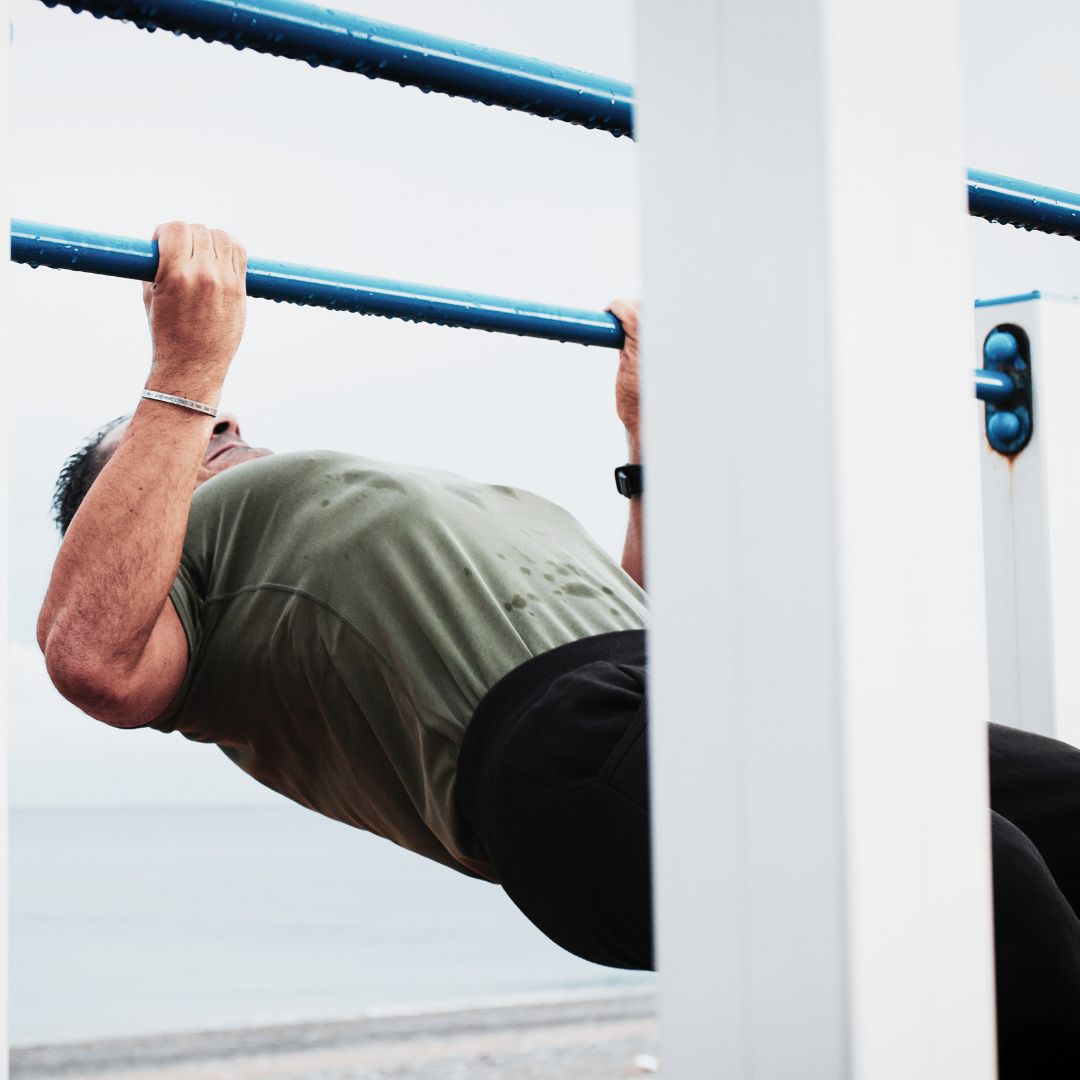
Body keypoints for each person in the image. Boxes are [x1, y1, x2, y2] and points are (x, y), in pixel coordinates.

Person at [37, 223, 1080, 1072]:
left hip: (666, 686)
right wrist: (181, 376)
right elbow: (92, 657)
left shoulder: (339, 508)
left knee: (1061, 807)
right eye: (198, 438)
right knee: (972, 877)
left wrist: (644, 437)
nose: (227, 429)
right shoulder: (175, 575)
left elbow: (640, 609)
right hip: (558, 748)